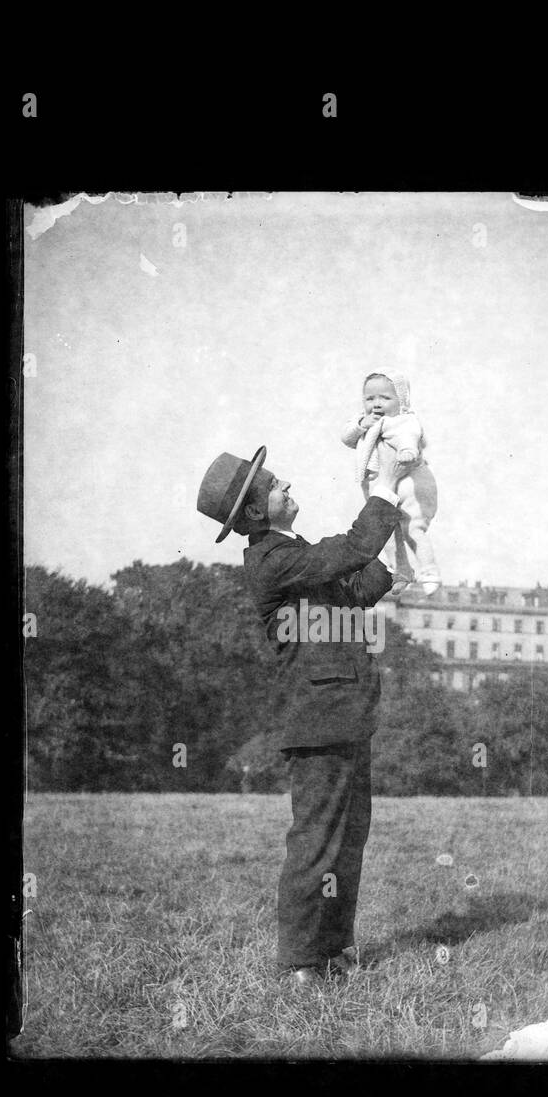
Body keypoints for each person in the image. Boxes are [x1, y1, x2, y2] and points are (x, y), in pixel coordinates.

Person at [196, 441, 408, 988]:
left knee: (349, 836)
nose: (288, 488)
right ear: (253, 513)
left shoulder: (294, 554)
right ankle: (299, 962)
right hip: (318, 720)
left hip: (344, 713)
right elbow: (351, 548)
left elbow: (351, 591)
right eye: (277, 486)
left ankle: (334, 950)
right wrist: (384, 487)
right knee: (317, 841)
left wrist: (392, 570)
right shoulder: (271, 557)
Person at [341, 369, 440, 594]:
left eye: (385, 398)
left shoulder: (402, 420)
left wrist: (407, 450)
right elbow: (346, 437)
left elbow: (410, 436)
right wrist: (361, 424)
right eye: (370, 398)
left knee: (412, 528)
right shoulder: (365, 422)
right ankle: (402, 570)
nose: (376, 403)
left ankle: (429, 570)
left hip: (407, 483)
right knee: (384, 533)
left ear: (401, 401)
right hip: (380, 488)